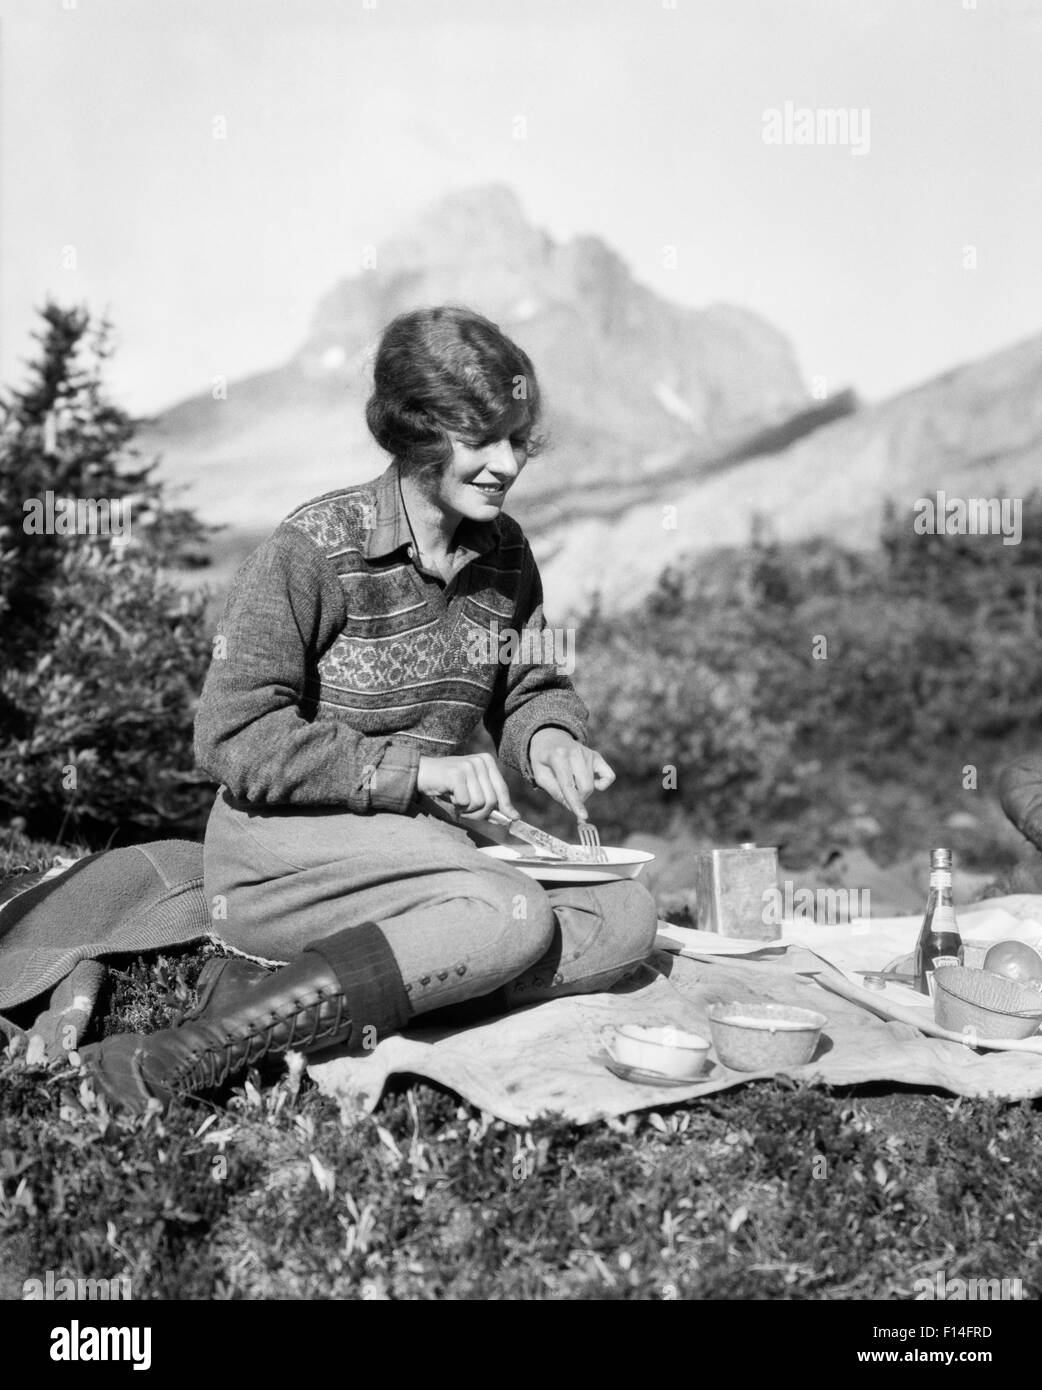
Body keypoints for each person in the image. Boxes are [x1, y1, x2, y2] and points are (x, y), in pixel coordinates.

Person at [82, 305, 658, 1112]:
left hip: (415, 848)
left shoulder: (507, 555)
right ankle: (180, 1052)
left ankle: (334, 986)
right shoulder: (314, 548)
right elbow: (231, 736)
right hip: (283, 851)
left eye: (517, 439)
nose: (505, 465)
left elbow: (529, 687)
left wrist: (551, 737)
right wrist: (413, 771)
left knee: (628, 916)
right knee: (515, 913)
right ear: (416, 431)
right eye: (479, 438)